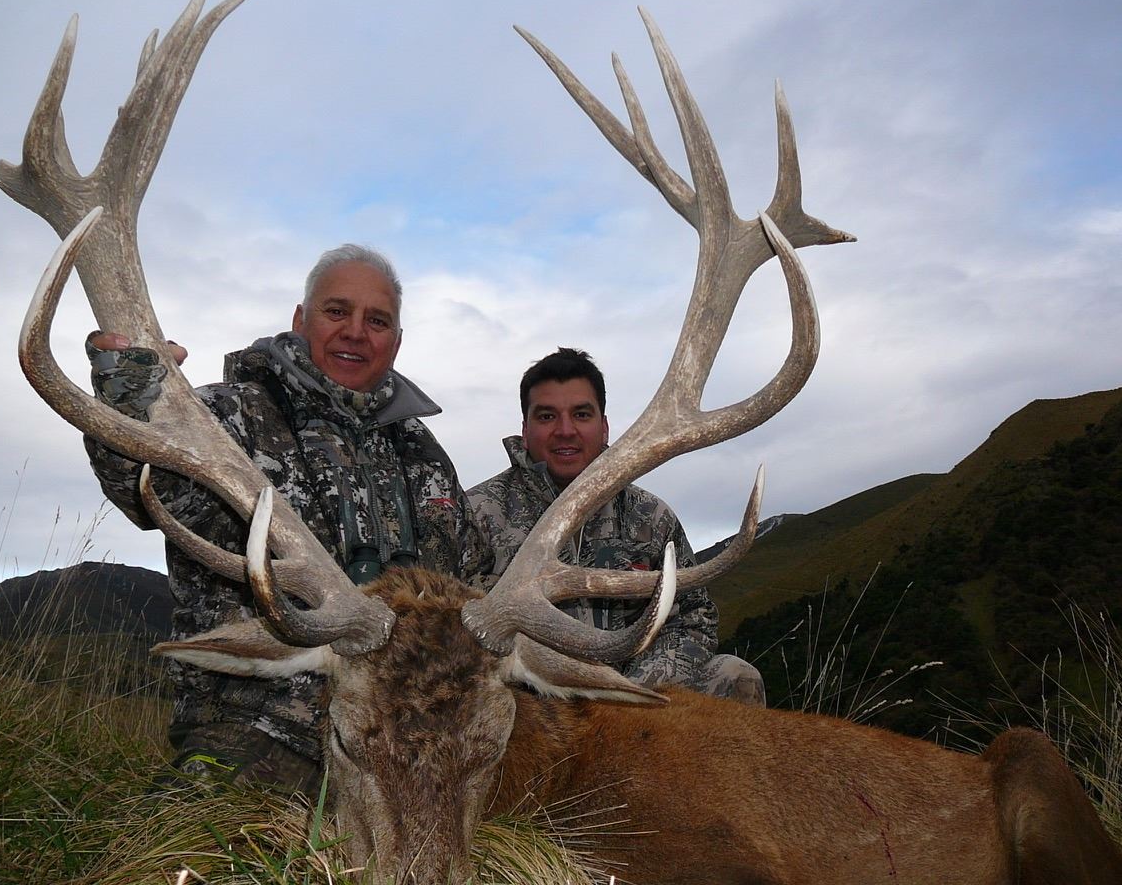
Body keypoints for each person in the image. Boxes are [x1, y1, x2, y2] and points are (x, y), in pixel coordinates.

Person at [85, 243, 484, 792]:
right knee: (202, 854)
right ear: (300, 320)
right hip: (266, 725)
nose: (355, 331)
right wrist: (132, 407)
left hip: (418, 738)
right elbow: (145, 491)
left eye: (377, 320)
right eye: (337, 311)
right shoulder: (226, 416)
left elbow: (472, 581)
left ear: (395, 341)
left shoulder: (423, 452)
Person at [468, 347, 765, 706]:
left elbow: (691, 622)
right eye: (546, 416)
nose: (565, 431)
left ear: (604, 426)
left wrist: (624, 692)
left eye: (581, 414)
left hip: (629, 703)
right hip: (528, 705)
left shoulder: (651, 517)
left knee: (734, 677)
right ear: (525, 430)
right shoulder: (476, 513)